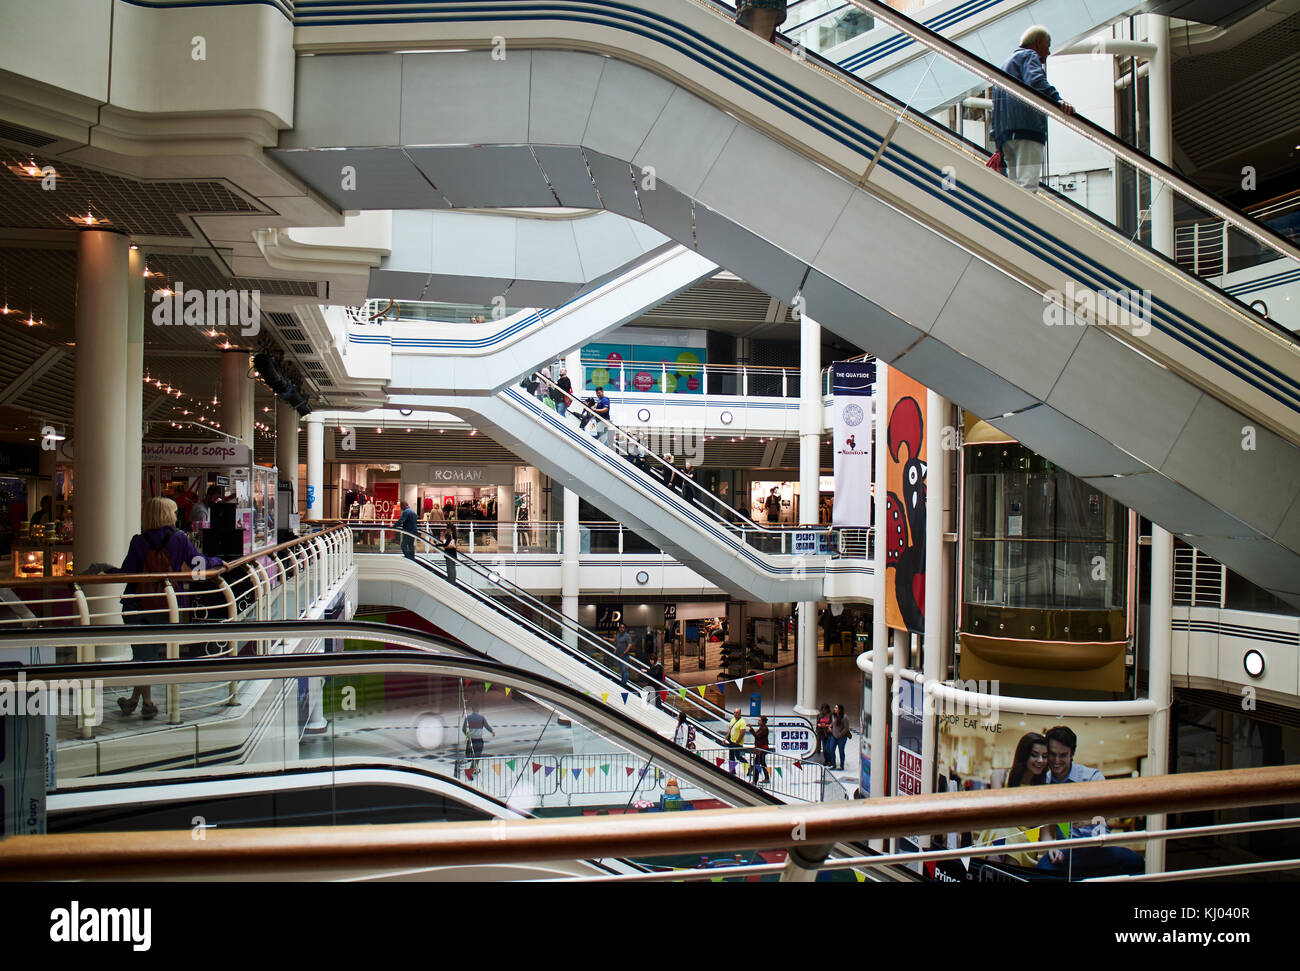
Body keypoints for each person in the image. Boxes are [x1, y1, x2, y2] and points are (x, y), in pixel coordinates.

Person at [110, 497, 225, 720]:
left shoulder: (138, 541)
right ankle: (143, 702)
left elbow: (126, 572)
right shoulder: (180, 539)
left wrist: (104, 571)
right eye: (173, 511)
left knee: (144, 653)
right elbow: (198, 565)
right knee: (148, 654)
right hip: (167, 604)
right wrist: (219, 561)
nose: (176, 515)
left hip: (136, 603)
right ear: (167, 515)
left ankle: (141, 701)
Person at [1036, 725, 1144, 876]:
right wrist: (1051, 847)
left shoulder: (1092, 777)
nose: (1056, 760)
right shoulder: (1045, 781)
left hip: (1099, 846)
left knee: (1136, 862)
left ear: (1072, 754)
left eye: (1063, 755)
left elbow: (1106, 812)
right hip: (1067, 852)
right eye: (1052, 754)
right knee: (1041, 871)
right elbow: (1046, 827)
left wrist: (1083, 820)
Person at [991, 25, 1075, 189]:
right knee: (1028, 184)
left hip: (1006, 136)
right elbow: (1035, 81)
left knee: (1015, 185)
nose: (1048, 52)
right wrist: (1056, 99)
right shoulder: (1029, 55)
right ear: (1037, 43)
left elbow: (996, 106)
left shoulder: (1004, 66)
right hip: (1027, 128)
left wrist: (997, 140)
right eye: (1047, 46)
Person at [749, 714, 771, 784]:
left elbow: (756, 736)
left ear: (763, 721)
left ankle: (755, 781)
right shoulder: (762, 728)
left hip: (762, 749)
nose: (758, 722)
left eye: (759, 720)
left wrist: (751, 729)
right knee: (762, 763)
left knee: (757, 764)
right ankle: (766, 778)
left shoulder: (764, 728)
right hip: (761, 749)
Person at [829, 703, 851, 771]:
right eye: (835, 708)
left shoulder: (844, 717)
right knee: (831, 749)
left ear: (840, 709)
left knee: (841, 751)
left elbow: (846, 728)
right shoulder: (833, 715)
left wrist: (840, 734)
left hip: (842, 737)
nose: (834, 709)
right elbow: (833, 722)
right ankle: (833, 764)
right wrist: (830, 726)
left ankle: (842, 765)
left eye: (836, 708)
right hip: (834, 735)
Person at [614, 623, 633, 687]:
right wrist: (606, 639)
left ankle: (624, 684)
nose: (621, 629)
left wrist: (624, 653)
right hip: (619, 656)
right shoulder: (618, 635)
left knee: (625, 669)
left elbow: (629, 645)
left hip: (624, 656)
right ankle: (622, 682)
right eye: (620, 627)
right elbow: (615, 641)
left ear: (625, 629)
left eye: (623, 627)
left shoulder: (627, 636)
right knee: (621, 670)